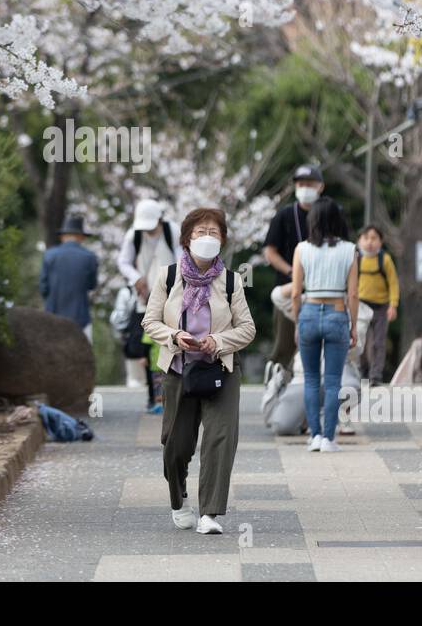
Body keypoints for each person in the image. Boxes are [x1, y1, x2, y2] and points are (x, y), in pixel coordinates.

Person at [142, 207, 255, 535]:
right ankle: (179, 499)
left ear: (223, 240)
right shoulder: (167, 276)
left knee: (220, 439)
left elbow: (247, 329)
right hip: (178, 369)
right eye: (200, 232)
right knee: (175, 444)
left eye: (214, 233)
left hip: (220, 370)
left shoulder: (231, 281)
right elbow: (150, 321)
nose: (207, 238)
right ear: (186, 239)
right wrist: (175, 336)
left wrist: (217, 341)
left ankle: (211, 513)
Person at [290, 199, 359, 452]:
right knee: (332, 381)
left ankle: (314, 436)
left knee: (310, 379)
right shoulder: (350, 249)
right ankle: (329, 438)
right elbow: (353, 294)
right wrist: (352, 326)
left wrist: (298, 321)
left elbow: (296, 292)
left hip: (308, 311)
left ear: (313, 221)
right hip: (337, 313)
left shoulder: (301, 249)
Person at [262, 163, 328, 372]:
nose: (305, 188)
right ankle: (276, 379)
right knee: (285, 342)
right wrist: (293, 272)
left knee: (323, 342)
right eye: (301, 184)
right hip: (288, 289)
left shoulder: (330, 213)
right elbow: (269, 251)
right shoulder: (284, 215)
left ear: (321, 186)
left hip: (324, 288)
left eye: (310, 184)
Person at [117, 199, 178, 411]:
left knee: (169, 345)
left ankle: (171, 395)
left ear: (159, 220)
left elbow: (182, 261)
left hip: (171, 300)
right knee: (147, 349)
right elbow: (123, 262)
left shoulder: (172, 231)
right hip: (144, 299)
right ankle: (154, 397)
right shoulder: (133, 234)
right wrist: (136, 278)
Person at [39, 214, 99, 342]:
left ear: (62, 237)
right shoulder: (90, 257)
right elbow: (91, 285)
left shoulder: (49, 255)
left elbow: (43, 288)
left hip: (52, 318)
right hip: (80, 319)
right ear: (80, 237)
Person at [355, 225, 399, 383]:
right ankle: (361, 372)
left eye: (374, 238)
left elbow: (393, 283)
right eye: (366, 238)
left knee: (378, 343)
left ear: (381, 241)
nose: (370, 242)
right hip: (360, 306)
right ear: (359, 241)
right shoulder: (356, 259)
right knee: (360, 341)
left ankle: (375, 375)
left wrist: (393, 305)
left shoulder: (385, 259)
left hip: (381, 307)